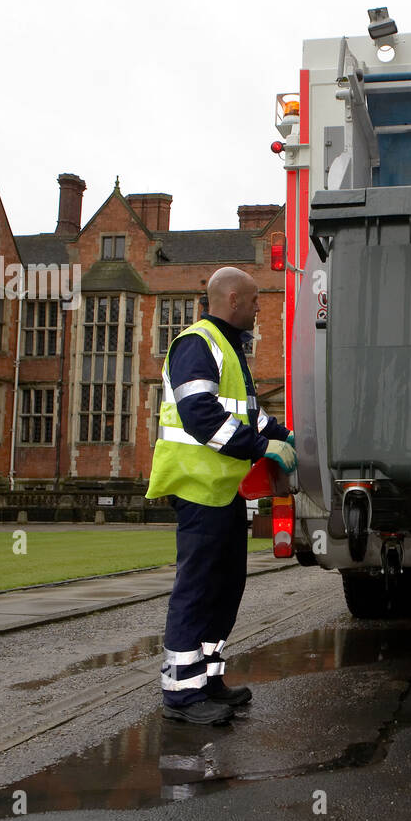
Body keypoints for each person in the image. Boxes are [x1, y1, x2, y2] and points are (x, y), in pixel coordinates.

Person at [145, 266, 296, 725]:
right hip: (197, 489)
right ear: (232, 299)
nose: (258, 308)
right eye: (254, 301)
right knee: (198, 588)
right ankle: (182, 695)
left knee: (225, 587)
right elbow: (200, 416)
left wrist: (292, 438)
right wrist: (260, 447)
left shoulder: (228, 350)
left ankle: (207, 679)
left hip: (223, 490)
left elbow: (253, 420)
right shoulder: (198, 344)